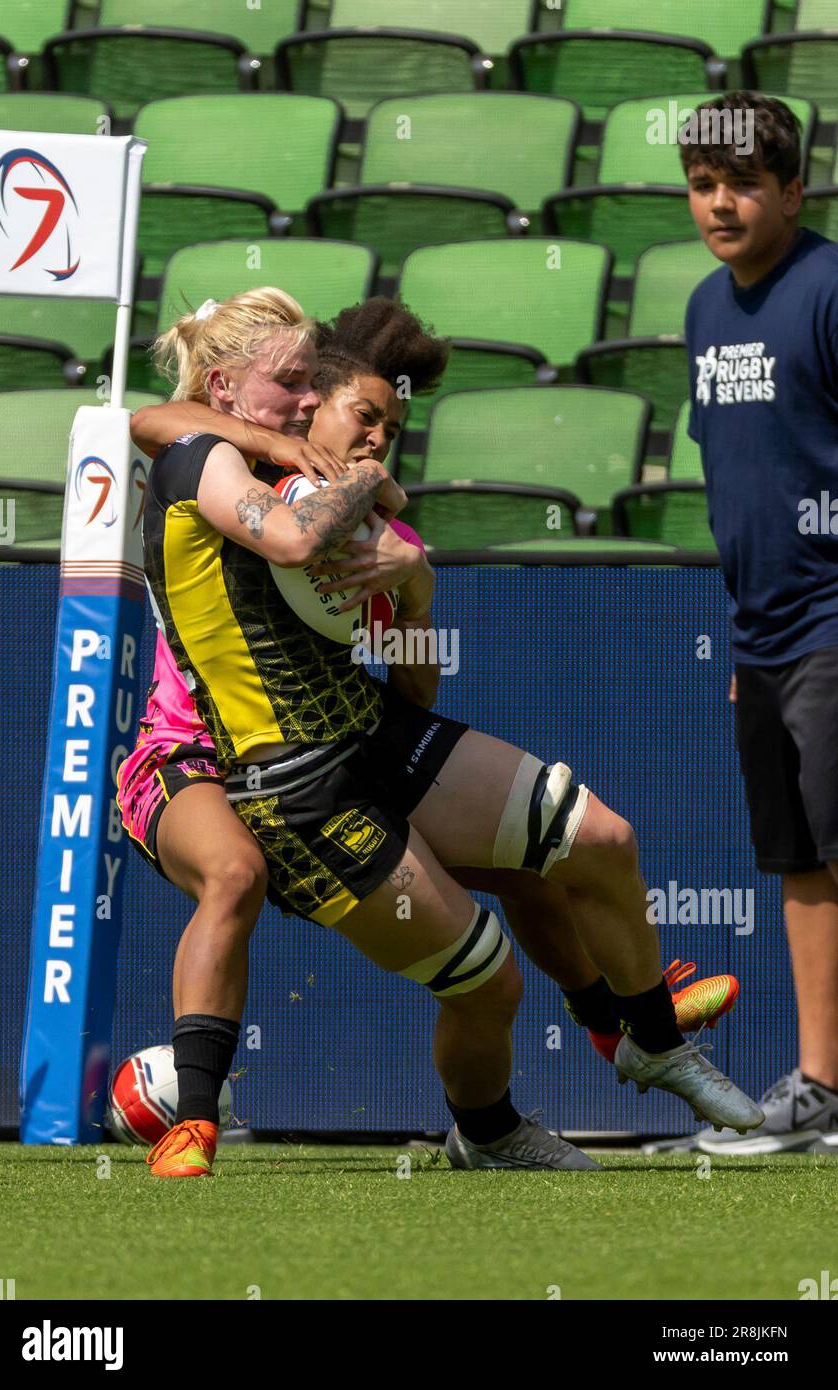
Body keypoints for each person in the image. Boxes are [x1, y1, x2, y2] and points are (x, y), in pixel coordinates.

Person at [127, 291, 762, 1178]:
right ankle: (216, 1109)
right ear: (231, 387)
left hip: (370, 729)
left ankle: (642, 1034)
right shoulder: (219, 462)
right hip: (254, 766)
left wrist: (414, 579)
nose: (334, 417)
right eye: (330, 400)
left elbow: (413, 679)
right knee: (466, 965)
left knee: (597, 840)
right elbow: (166, 431)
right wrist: (327, 467)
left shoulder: (369, 518)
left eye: (375, 419)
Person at [682, 92, 838, 1153]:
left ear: (793, 188)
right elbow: (732, 478)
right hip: (763, 634)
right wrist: (747, 638)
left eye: (742, 183)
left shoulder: (828, 289)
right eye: (701, 185)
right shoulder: (700, 308)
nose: (720, 203)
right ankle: (821, 1087)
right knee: (797, 864)